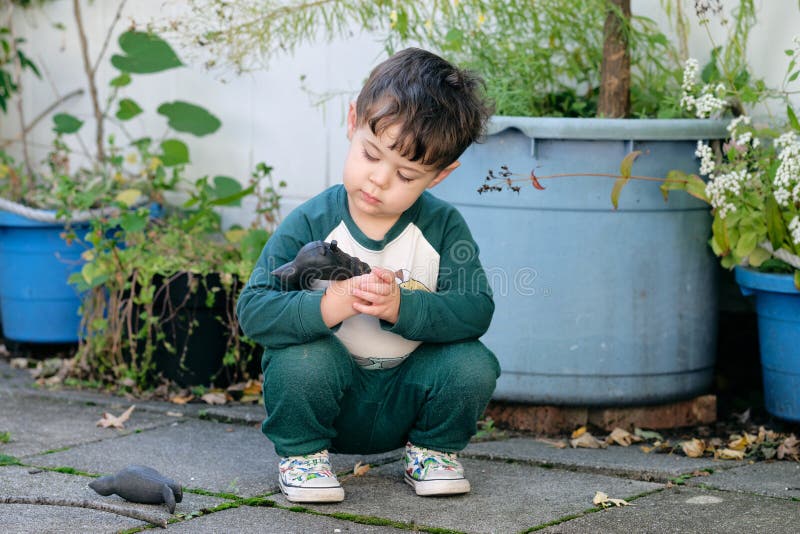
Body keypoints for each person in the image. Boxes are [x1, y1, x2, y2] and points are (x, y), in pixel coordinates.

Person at [237, 47, 500, 504]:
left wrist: (403, 306)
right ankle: (302, 457)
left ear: (439, 176)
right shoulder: (313, 221)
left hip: (408, 389)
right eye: (370, 154)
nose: (379, 180)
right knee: (300, 360)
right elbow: (254, 310)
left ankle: (432, 452)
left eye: (406, 174)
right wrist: (329, 305)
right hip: (331, 393)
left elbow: (476, 309)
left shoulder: (442, 227)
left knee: (472, 362)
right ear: (353, 120)